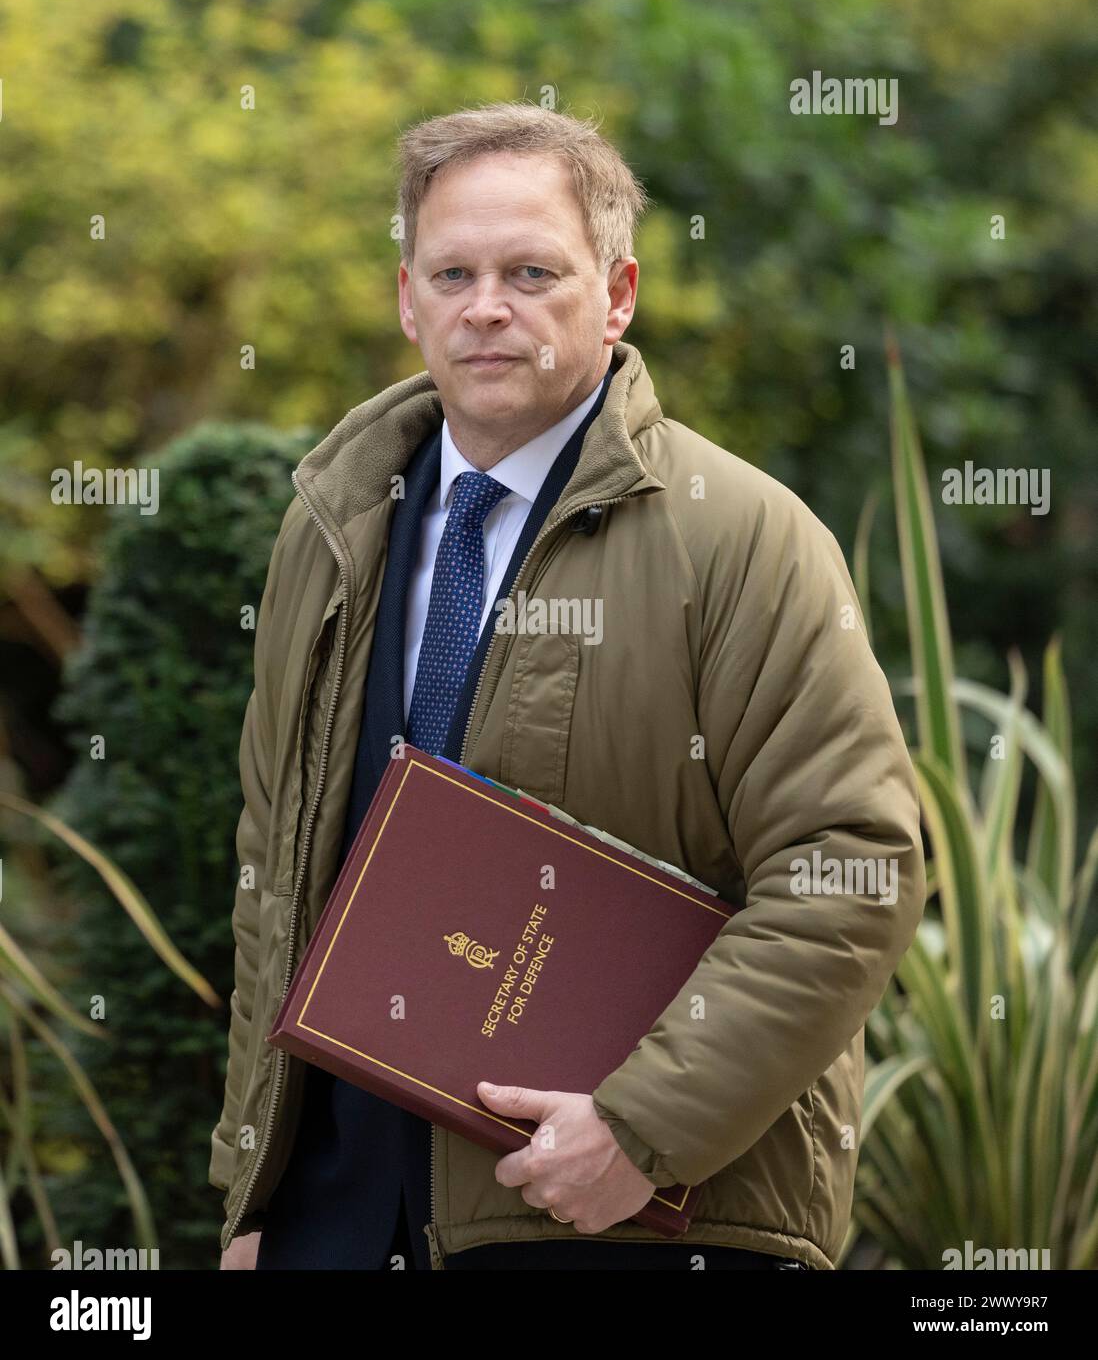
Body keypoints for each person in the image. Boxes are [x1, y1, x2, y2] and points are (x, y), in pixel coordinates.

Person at [212, 101, 926, 1272]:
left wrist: (646, 1128)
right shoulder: (327, 533)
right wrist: (254, 1189)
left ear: (619, 292)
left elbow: (850, 869)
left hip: (613, 1213)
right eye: (453, 271)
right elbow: (271, 870)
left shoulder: (744, 538)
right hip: (333, 1222)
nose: (487, 306)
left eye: (533, 270)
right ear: (407, 299)